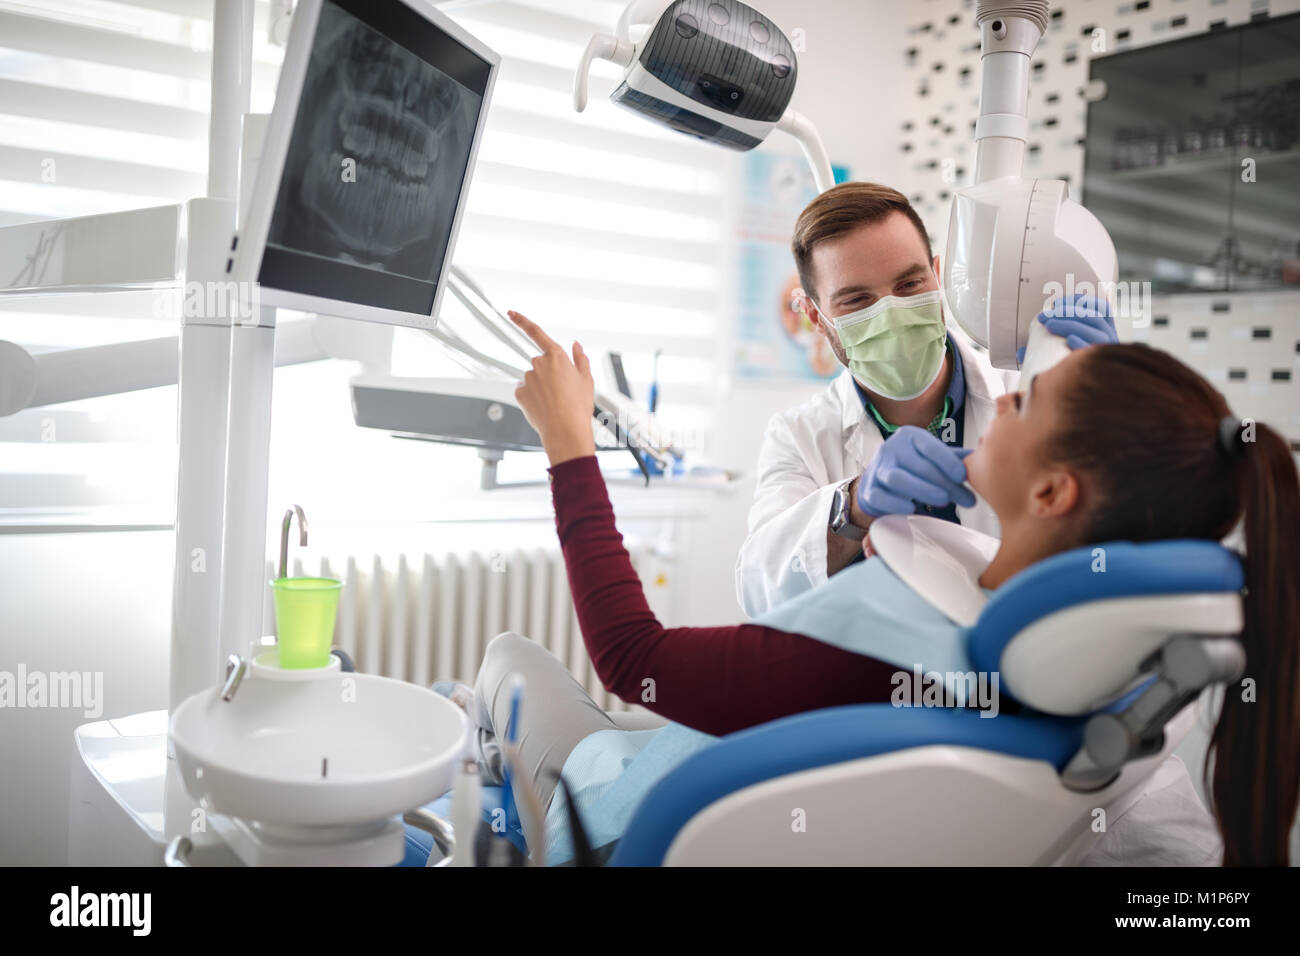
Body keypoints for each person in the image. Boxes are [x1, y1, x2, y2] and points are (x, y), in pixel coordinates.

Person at [449, 310, 1298, 867]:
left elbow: (633, 659)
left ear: (1051, 492)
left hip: (617, 825)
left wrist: (569, 443)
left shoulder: (895, 638)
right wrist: (850, 508)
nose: (1003, 402)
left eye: (1029, 401)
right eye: (857, 299)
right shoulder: (1104, 676)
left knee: (506, 659)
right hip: (711, 757)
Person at [735, 182, 1118, 616]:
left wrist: (1109, 424)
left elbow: (1110, 547)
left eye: (910, 283)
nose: (892, 313)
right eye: (857, 300)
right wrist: (852, 508)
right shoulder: (798, 435)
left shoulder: (1024, 392)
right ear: (815, 317)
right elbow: (758, 589)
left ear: (938, 276)